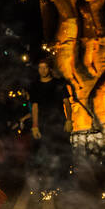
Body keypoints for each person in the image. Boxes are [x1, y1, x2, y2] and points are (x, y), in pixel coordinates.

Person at [29, 56, 73, 191]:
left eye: (45, 67)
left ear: (49, 69)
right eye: (40, 68)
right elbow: (35, 107)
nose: (42, 70)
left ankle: (65, 182)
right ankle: (50, 184)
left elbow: (67, 103)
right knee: (47, 153)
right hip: (44, 124)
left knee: (63, 151)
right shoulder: (35, 86)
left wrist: (69, 120)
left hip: (59, 122)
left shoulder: (58, 83)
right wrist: (35, 126)